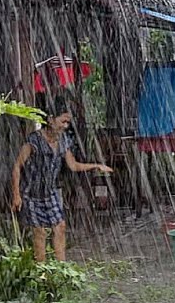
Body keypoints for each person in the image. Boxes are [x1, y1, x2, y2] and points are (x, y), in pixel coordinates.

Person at [11, 97, 112, 262]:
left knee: (60, 226)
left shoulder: (63, 141)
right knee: (40, 232)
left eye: (67, 123)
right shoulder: (34, 140)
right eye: (63, 121)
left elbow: (73, 165)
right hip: (31, 193)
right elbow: (17, 167)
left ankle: (61, 266)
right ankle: (42, 269)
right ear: (51, 120)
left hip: (50, 192)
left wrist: (96, 166)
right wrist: (16, 195)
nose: (65, 126)